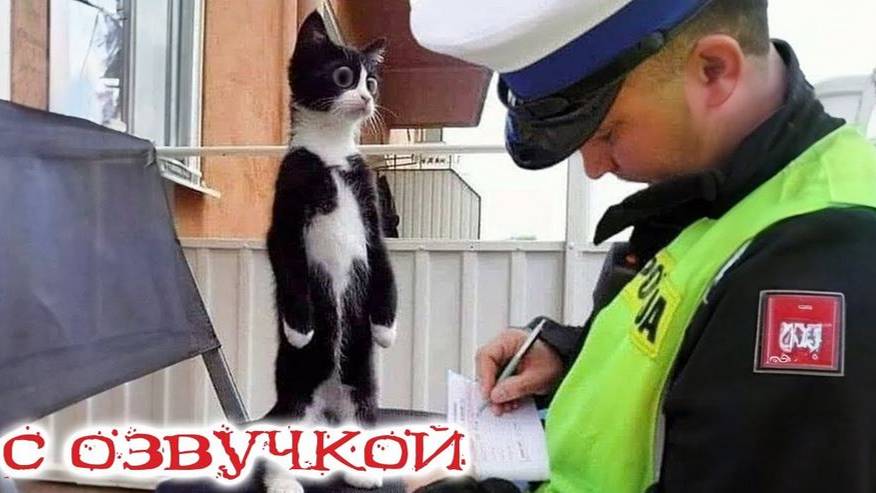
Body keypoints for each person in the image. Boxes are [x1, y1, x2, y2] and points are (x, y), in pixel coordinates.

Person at [407, 0, 876, 492]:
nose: (593, 167)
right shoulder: (735, 191)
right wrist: (567, 355)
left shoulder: (819, 262)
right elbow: (683, 354)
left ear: (714, 70)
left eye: (608, 133)